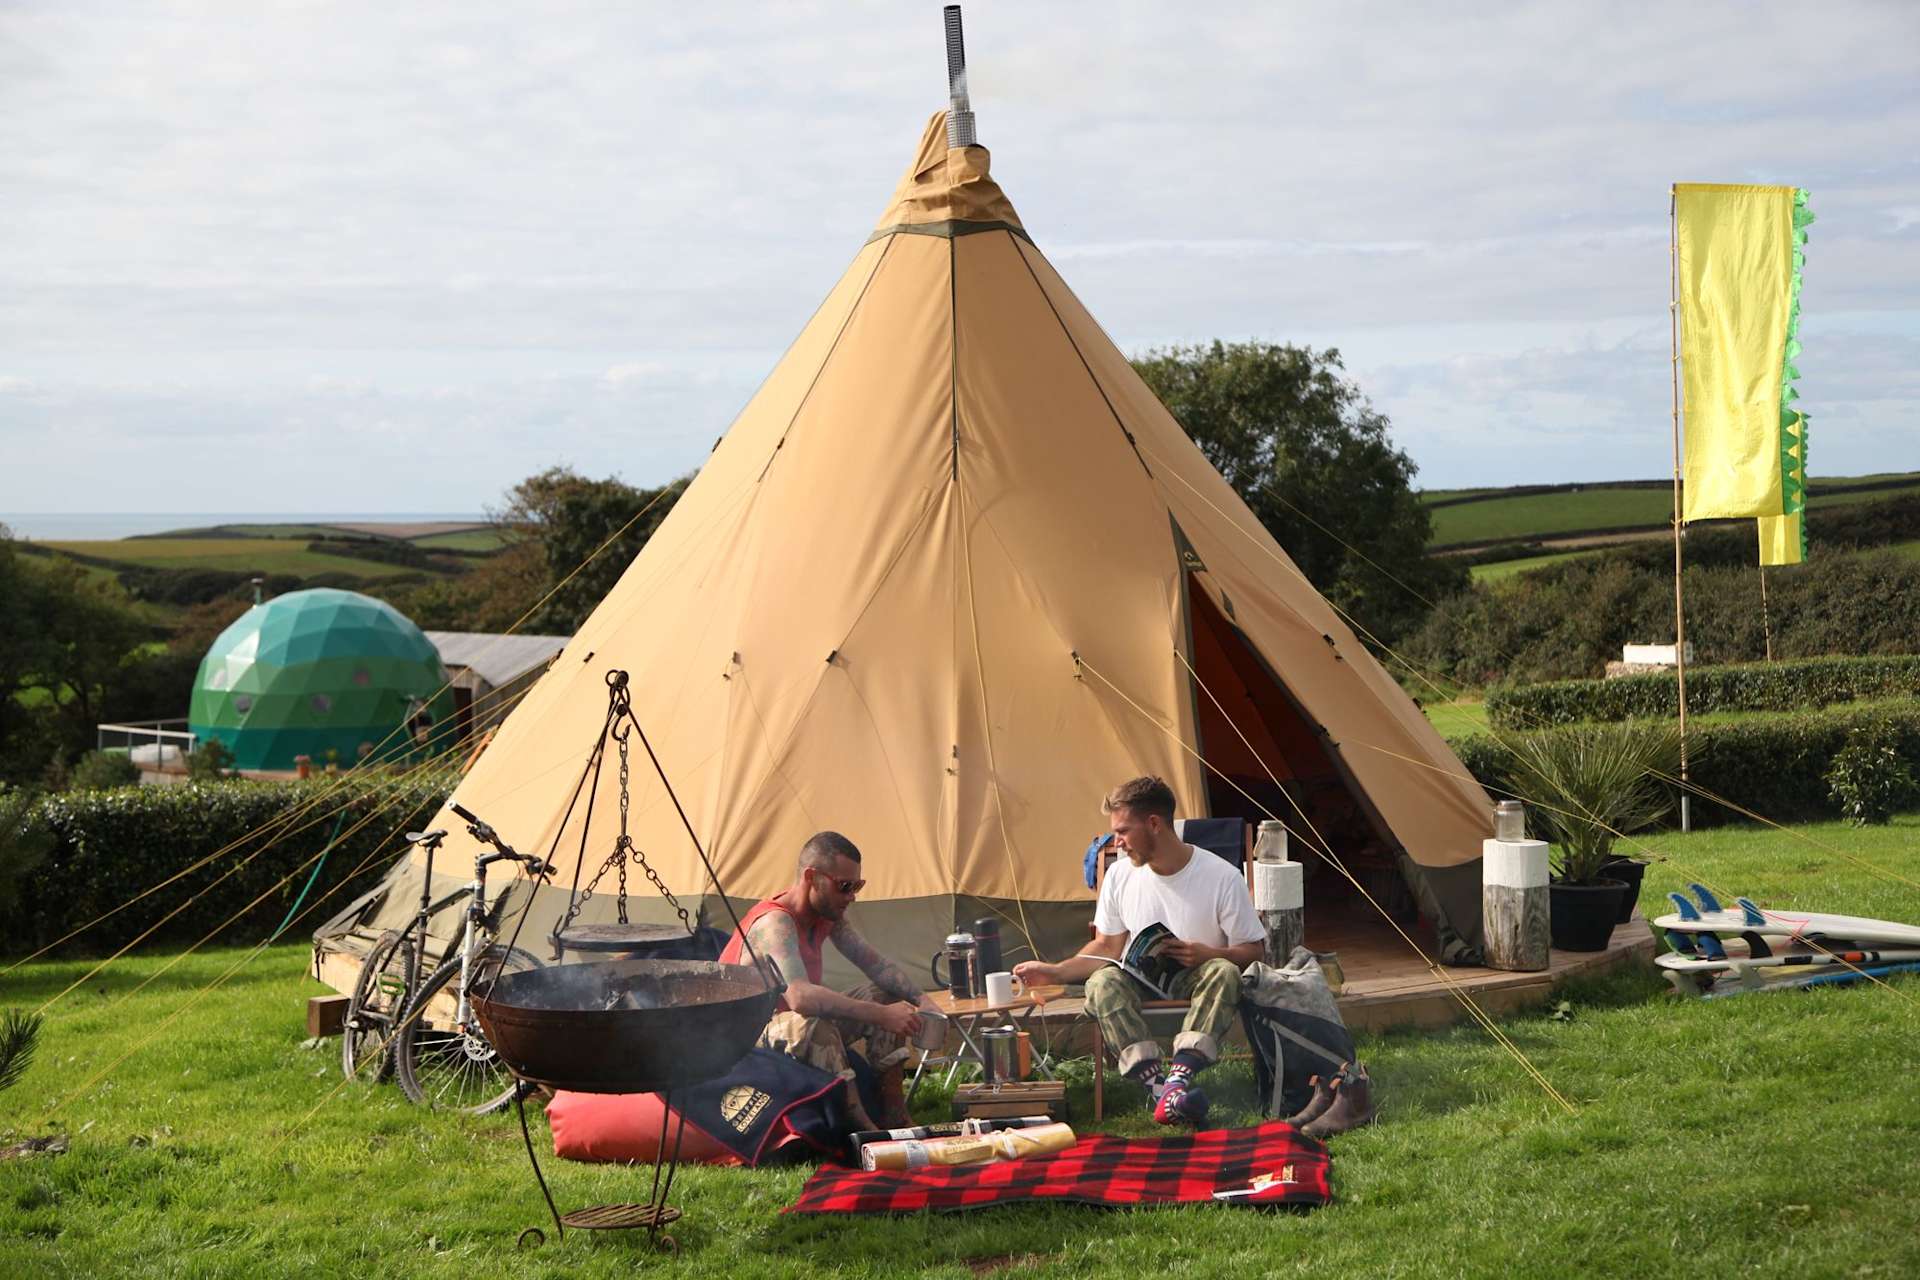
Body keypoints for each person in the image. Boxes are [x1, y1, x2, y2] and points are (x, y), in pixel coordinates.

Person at [1014, 776, 1263, 1124]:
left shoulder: (1221, 876)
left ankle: (1173, 1083)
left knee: (1224, 971)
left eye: (1123, 831)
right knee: (1102, 982)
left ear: (1154, 824)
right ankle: (1166, 1092)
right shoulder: (1120, 876)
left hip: (1198, 980)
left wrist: (1207, 954)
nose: (1116, 842)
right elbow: (1106, 946)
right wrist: (1055, 971)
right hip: (1141, 981)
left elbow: (1253, 950)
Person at [719, 830, 939, 1129]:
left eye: (857, 886)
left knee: (884, 994)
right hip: (746, 1040)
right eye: (844, 886)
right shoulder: (775, 922)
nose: (852, 896)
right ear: (812, 877)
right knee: (814, 1023)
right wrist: (880, 1015)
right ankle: (863, 1131)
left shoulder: (825, 915)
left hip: (792, 1026)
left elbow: (876, 965)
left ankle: (895, 1117)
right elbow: (800, 997)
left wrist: (922, 1000)